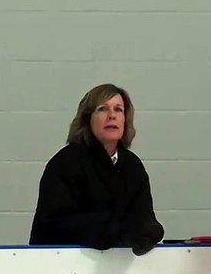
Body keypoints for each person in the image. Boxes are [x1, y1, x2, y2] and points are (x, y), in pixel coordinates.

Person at [29, 84, 164, 255]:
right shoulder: (66, 162)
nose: (112, 116)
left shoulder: (133, 166)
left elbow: (143, 217)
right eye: (102, 109)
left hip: (116, 268)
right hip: (61, 265)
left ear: (125, 119)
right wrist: (113, 230)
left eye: (118, 110)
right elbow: (54, 224)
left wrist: (149, 231)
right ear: (88, 119)